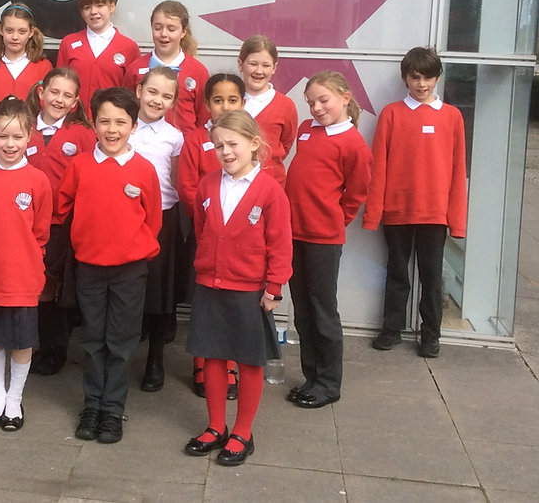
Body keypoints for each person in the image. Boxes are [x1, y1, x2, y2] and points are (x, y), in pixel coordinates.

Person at [183, 109, 292, 466]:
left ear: (254, 144)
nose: (226, 151)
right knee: (213, 356)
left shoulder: (270, 191)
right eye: (218, 146)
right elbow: (202, 229)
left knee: (248, 361)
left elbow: (280, 243)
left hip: (248, 290)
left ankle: (243, 432)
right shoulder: (208, 185)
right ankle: (215, 426)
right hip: (210, 285)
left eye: (233, 144)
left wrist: (274, 286)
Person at [57, 87, 162, 444]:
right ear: (94, 124)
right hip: (89, 268)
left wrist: (132, 247)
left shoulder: (144, 169)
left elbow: (153, 220)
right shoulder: (80, 165)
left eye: (121, 122)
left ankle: (113, 408)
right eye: (104, 121)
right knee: (92, 338)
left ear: (134, 126)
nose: (112, 129)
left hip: (130, 270)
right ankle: (92, 404)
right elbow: (63, 206)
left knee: (120, 341)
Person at [363, 47, 467, 358]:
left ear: (438, 78)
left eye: (428, 77)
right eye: (415, 77)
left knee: (432, 276)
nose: (421, 84)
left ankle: (431, 334)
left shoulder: (452, 116)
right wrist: (373, 214)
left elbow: (457, 170)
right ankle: (391, 329)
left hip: (435, 213)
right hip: (397, 211)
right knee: (397, 272)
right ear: (405, 78)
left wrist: (457, 220)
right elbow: (378, 164)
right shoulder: (392, 113)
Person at [285, 71, 371, 409]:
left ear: (345, 97)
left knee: (323, 310)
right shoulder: (307, 130)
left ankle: (329, 383)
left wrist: (333, 221)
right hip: (294, 233)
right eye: (311, 103)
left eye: (324, 100)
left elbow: (356, 194)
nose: (317, 108)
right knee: (302, 310)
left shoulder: (353, 144)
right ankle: (311, 377)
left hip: (322, 239)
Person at [0, 96, 53, 431]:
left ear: (30, 135)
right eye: (3, 136)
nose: (10, 143)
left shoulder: (38, 181)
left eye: (17, 136)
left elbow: (41, 231)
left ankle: (15, 399)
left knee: (21, 341)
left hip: (23, 276)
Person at [177, 73, 246, 399]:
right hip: (204, 236)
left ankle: (230, 361)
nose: (224, 106)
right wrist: (210, 224)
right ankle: (203, 362)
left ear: (242, 103)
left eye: (232, 100)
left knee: (232, 303)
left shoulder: (248, 139)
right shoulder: (195, 140)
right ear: (206, 104)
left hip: (239, 242)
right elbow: (189, 188)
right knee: (205, 304)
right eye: (217, 100)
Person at [24, 66, 95, 376]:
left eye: (67, 95)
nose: (59, 99)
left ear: (75, 102)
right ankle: (33, 344)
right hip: (24, 221)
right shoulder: (24, 126)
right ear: (41, 92)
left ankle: (56, 349)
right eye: (54, 92)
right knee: (31, 284)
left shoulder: (82, 134)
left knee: (54, 286)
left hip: (62, 224)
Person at [129, 67, 184, 392]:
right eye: (152, 92)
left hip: (162, 218)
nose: (157, 100)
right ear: (139, 90)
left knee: (159, 292)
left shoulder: (174, 137)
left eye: (166, 96)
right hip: (124, 219)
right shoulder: (124, 127)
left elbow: (175, 182)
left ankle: (155, 359)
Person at [124, 0, 210, 135]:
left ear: (183, 32)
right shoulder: (135, 68)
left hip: (184, 148)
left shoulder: (198, 71)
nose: (164, 34)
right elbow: (125, 110)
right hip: (141, 146)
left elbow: (204, 117)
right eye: (158, 28)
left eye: (171, 29)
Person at [56, 0, 141, 106]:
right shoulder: (68, 43)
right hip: (74, 120)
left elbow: (133, 94)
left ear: (111, 7)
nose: (93, 12)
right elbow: (59, 85)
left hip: (111, 121)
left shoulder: (129, 47)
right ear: (81, 12)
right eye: (87, 7)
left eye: (100, 5)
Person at [238, 35, 297, 187]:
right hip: (233, 181)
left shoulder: (285, 105)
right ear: (240, 64)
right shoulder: (229, 101)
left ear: (274, 68)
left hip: (271, 183)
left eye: (266, 65)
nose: (259, 71)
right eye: (253, 64)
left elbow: (285, 144)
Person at [0, 3, 52, 102]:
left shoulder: (44, 67)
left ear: (31, 32)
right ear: (1, 30)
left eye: (22, 31)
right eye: (9, 30)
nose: (15, 37)